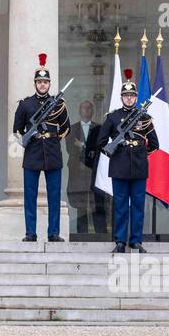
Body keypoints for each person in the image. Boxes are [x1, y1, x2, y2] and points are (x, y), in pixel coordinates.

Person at [98, 69, 159, 253]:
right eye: (126, 96)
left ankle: (136, 241)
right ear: (121, 97)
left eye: (132, 96)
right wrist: (114, 150)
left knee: (138, 207)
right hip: (119, 167)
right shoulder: (113, 117)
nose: (129, 99)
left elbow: (155, 144)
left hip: (139, 168)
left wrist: (140, 151)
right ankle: (120, 241)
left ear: (136, 97)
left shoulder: (145, 117)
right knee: (121, 206)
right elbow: (101, 142)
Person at [12, 54, 70, 243]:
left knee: (54, 196)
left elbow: (66, 127)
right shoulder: (26, 104)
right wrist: (31, 136)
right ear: (35, 83)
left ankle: (53, 232)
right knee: (30, 196)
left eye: (46, 82)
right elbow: (17, 128)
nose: (43, 85)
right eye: (40, 81)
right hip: (33, 153)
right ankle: (31, 232)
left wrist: (51, 137)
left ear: (49, 83)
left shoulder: (59, 104)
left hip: (52, 152)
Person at [66, 99, 106, 235]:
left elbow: (99, 148)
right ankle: (82, 234)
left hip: (94, 172)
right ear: (79, 110)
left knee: (98, 204)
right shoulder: (71, 129)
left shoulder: (99, 128)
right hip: (78, 173)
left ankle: (100, 233)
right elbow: (70, 148)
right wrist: (87, 147)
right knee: (80, 205)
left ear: (93, 111)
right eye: (84, 108)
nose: (86, 110)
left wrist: (82, 145)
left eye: (89, 108)